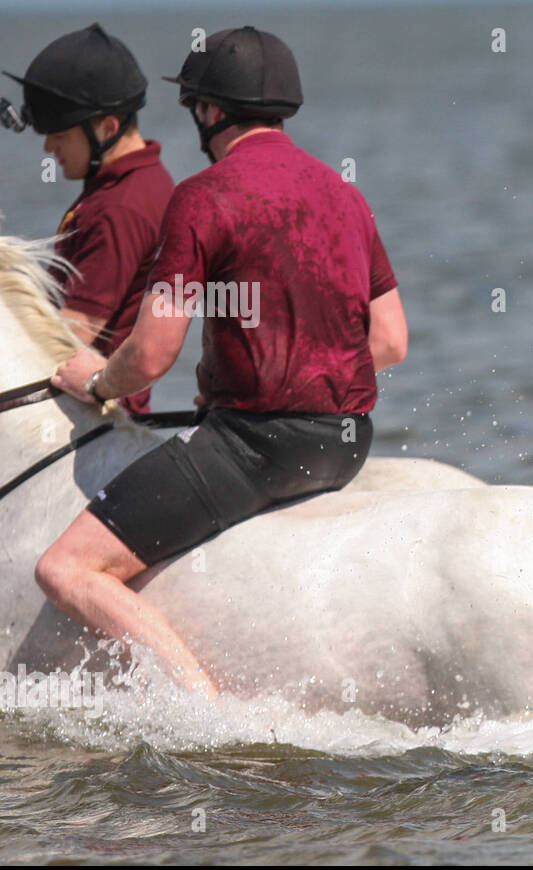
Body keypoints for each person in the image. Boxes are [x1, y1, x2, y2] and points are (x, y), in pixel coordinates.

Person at [34, 26, 409, 695]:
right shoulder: (345, 195)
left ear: (209, 112)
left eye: (195, 112)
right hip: (347, 444)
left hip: (254, 450)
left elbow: (150, 356)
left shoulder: (205, 196)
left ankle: (202, 708)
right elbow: (390, 342)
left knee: (64, 569)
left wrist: (95, 379)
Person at [3, 23, 174, 415]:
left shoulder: (119, 208)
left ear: (107, 128)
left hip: (89, 419)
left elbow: (72, 335)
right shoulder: (138, 182)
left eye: (60, 136)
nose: (48, 147)